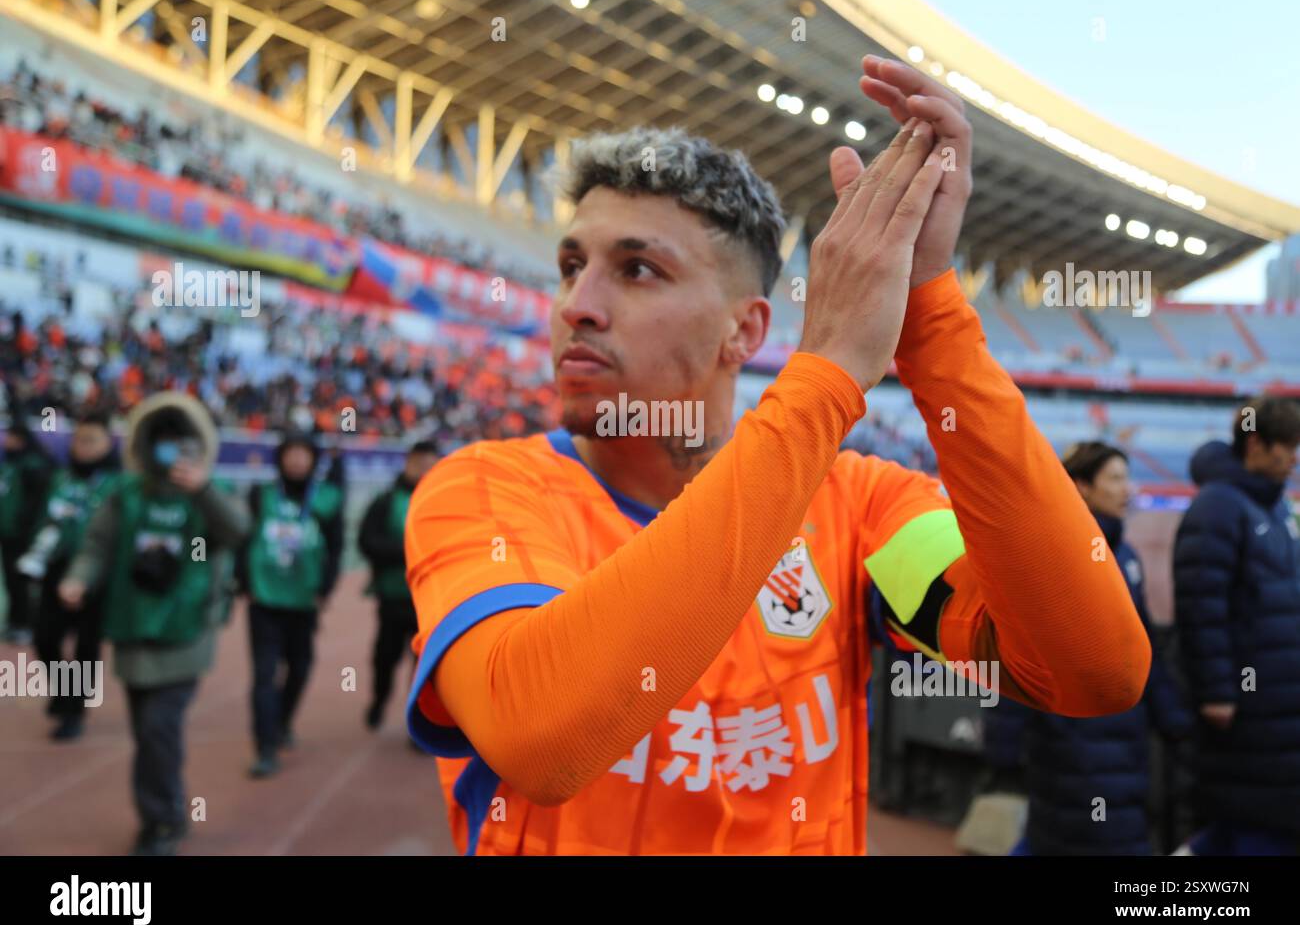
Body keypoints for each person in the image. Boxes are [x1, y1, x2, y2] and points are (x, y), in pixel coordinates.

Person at [402, 55, 1151, 856]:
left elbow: (1093, 668)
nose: (576, 308)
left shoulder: (861, 508)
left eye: (637, 270)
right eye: (570, 267)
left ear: (746, 331)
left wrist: (929, 310)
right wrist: (825, 376)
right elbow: (541, 734)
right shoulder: (484, 489)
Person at [59, 392, 250, 856]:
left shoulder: (212, 491)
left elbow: (239, 530)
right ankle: (166, 809)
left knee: (159, 728)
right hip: (133, 626)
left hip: (186, 632)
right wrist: (78, 578)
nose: (171, 452)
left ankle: (162, 822)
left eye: (181, 442)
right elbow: (97, 545)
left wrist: (202, 489)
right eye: (162, 442)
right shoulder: (124, 493)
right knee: (147, 730)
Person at [984, 441, 1193, 855]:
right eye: (1114, 478)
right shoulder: (1052, 555)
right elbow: (1020, 647)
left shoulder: (1126, 555)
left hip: (1124, 736)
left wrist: (1174, 721)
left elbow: (1141, 645)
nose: (1127, 489)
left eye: (1126, 477)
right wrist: (1003, 745)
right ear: (1081, 487)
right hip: (1069, 736)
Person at [1173, 397, 1300, 855]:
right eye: (1286, 447)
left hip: (1275, 697)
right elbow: (1201, 604)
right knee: (1254, 818)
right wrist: (1217, 691)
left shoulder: (1273, 508)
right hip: (1248, 703)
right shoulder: (1220, 507)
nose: (1294, 458)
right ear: (1256, 445)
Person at [240, 430, 343, 778]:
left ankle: (281, 721)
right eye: (290, 453)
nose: (297, 460)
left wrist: (325, 589)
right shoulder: (260, 495)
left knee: (300, 668)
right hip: (264, 600)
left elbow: (336, 547)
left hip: (303, 600)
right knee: (263, 675)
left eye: (304, 454)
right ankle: (265, 746)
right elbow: (242, 538)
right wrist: (244, 582)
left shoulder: (326, 499)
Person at [20, 411, 121, 740]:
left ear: (108, 444)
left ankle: (74, 709)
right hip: (56, 569)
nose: (84, 447)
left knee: (86, 646)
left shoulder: (119, 485)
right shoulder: (59, 478)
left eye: (92, 440)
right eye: (79, 439)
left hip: (99, 576)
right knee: (45, 638)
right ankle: (64, 693)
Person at [358, 440, 438, 730]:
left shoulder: (443, 501)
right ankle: (378, 701)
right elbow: (367, 542)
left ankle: (417, 722)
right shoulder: (386, 501)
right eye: (420, 463)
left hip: (428, 602)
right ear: (409, 463)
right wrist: (410, 552)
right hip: (392, 597)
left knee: (423, 666)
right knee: (385, 658)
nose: (425, 469)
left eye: (432, 464)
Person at [0, 417, 53, 644]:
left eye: (11, 437)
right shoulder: (11, 464)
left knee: (21, 581)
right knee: (11, 580)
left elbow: (35, 502)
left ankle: (24, 624)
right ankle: (15, 622)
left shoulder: (33, 465)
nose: (6, 441)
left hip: (22, 534)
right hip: (8, 532)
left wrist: (26, 527)